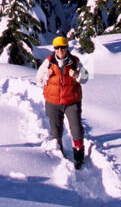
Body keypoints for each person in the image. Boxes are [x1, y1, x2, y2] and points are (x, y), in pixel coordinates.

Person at [37, 35, 90, 169]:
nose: (60, 50)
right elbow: (38, 79)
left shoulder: (75, 61)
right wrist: (46, 75)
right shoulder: (49, 62)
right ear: (54, 49)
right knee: (56, 131)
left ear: (67, 48)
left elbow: (86, 78)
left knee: (76, 129)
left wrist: (76, 75)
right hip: (53, 101)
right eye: (57, 48)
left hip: (72, 101)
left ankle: (79, 155)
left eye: (63, 47)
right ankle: (59, 155)